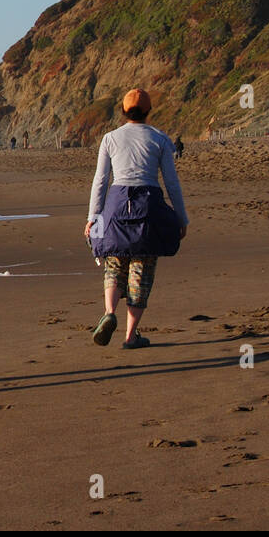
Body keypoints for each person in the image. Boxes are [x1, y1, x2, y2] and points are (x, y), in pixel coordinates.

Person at [85, 89, 188, 349]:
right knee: (141, 270)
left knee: (114, 262)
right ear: (148, 110)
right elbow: (171, 183)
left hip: (117, 203)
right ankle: (131, 336)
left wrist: (93, 217)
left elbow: (100, 181)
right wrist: (180, 217)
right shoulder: (160, 139)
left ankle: (109, 312)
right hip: (149, 203)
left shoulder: (110, 138)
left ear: (123, 110)